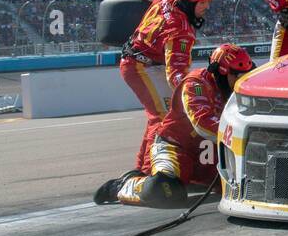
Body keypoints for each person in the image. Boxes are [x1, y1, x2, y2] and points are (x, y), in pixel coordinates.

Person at [96, 43, 255, 206]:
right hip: (176, 147)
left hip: (209, 156)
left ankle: (193, 181)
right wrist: (242, 135)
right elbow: (202, 123)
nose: (240, 80)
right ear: (221, 72)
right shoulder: (196, 84)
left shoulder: (242, 89)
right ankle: (123, 185)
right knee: (164, 190)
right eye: (236, 75)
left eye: (245, 75)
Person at [118, 0, 214, 172]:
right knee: (163, 117)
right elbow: (175, 75)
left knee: (159, 115)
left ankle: (141, 168)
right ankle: (148, 173)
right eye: (202, 3)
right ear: (188, 2)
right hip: (142, 67)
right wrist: (199, 91)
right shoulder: (181, 31)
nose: (206, 7)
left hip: (141, 60)